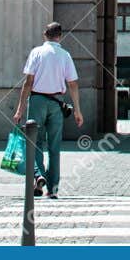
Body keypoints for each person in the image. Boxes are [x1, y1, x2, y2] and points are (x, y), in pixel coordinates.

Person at [13, 22, 83, 199]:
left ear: (45, 35)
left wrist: (20, 109)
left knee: (35, 143)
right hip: (57, 103)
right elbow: (73, 83)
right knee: (54, 147)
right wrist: (77, 110)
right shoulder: (65, 55)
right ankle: (53, 189)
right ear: (60, 36)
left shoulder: (36, 52)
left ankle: (39, 178)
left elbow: (28, 82)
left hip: (37, 100)